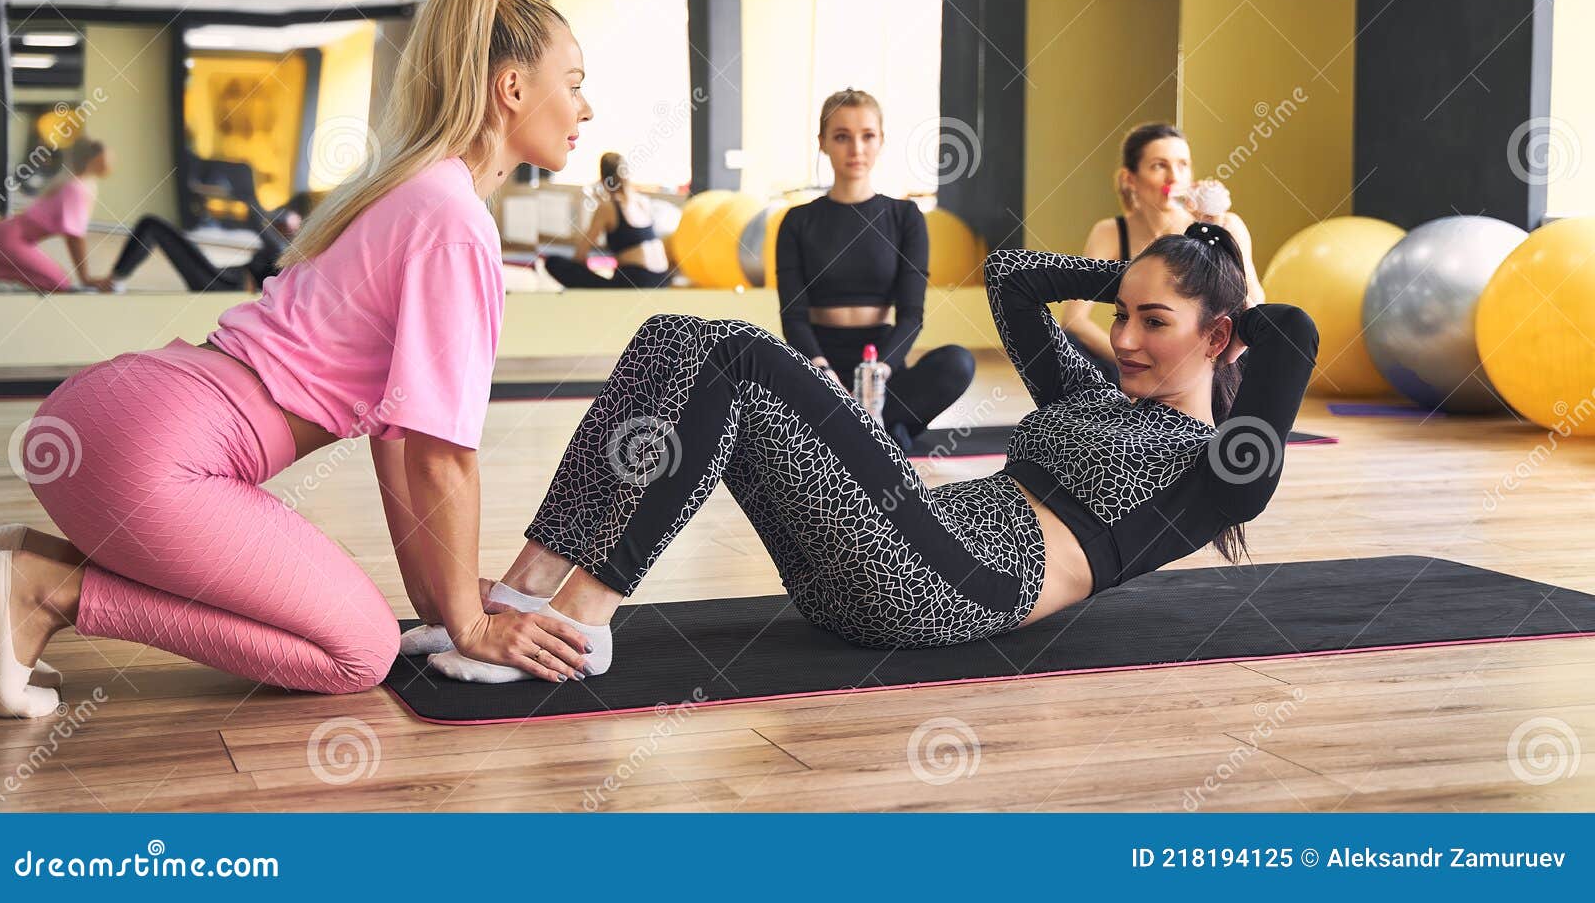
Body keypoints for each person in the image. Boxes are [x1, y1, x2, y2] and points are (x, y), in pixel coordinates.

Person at [0, 0, 600, 718]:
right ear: (512, 89)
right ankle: (43, 585)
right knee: (358, 653)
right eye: (572, 82)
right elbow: (444, 454)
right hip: (156, 453)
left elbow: (399, 439)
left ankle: (32, 571)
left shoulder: (412, 186)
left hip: (111, 415)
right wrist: (472, 625)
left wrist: (440, 602)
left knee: (369, 634)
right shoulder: (454, 220)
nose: (586, 107)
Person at [401, 221, 1318, 684]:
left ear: (1220, 335)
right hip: (891, 548)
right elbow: (1012, 279)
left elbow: (1290, 351)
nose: (1123, 336)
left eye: (1154, 322)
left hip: (955, 583)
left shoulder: (1215, 467)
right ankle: (525, 589)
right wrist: (1126, 275)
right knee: (673, 334)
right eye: (1122, 315)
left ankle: (583, 620)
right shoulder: (1089, 394)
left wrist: (1243, 283)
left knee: (740, 356)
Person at [774, 88, 975, 450]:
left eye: (867, 136)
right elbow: (794, 317)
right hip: (820, 364)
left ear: (881, 141)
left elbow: (911, 316)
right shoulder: (797, 221)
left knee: (957, 363)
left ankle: (865, 424)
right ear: (822, 143)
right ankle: (882, 431)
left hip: (881, 366)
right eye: (841, 137)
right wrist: (822, 371)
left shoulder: (905, 217)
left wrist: (878, 372)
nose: (856, 149)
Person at [1063, 123, 1265, 385]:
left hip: (1202, 363)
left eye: (1183, 165)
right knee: (1067, 347)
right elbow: (1074, 320)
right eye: (1159, 166)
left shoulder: (1226, 225)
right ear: (1130, 179)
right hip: (1133, 362)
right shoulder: (1110, 233)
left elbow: (1253, 305)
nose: (1174, 177)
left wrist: (1212, 233)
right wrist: (1132, 357)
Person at [104, 193, 313, 293]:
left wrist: (272, 215)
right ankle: (115, 280)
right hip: (225, 277)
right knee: (151, 225)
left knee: (152, 225)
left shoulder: (289, 252)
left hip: (225, 285)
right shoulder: (287, 247)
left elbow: (254, 219)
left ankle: (113, 282)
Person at [0, 138, 112, 293]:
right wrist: (86, 278)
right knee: (58, 283)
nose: (112, 161)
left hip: (8, 235)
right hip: (9, 239)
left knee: (54, 283)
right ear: (95, 158)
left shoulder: (82, 185)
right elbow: (74, 237)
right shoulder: (77, 188)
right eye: (108, 156)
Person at [541, 151, 671, 289]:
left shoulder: (606, 208)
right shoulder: (642, 202)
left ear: (603, 180)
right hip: (662, 279)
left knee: (553, 262)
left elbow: (580, 255)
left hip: (637, 282)